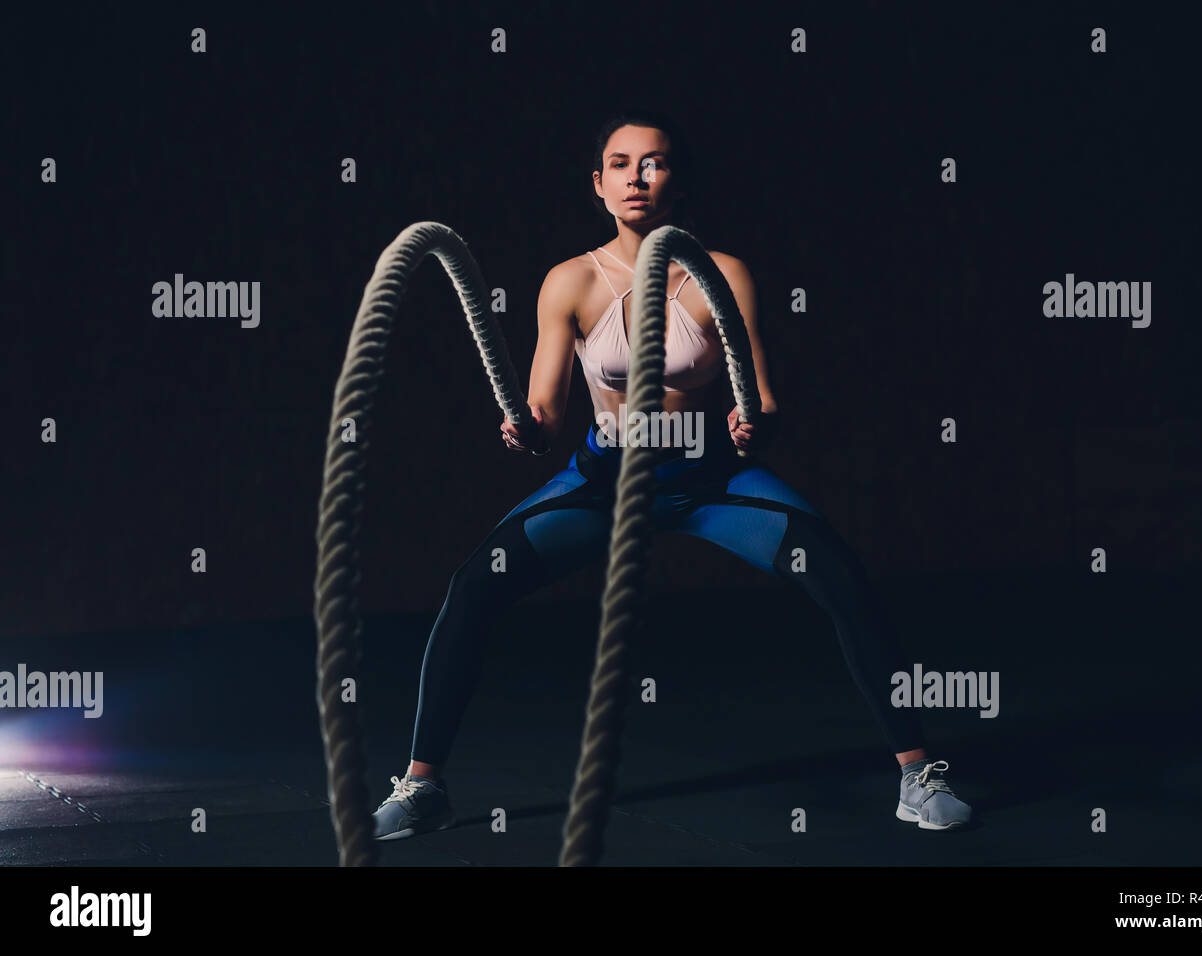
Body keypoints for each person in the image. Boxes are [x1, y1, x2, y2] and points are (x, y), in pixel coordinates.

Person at [373, 110, 973, 842]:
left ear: (676, 182)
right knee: (474, 587)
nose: (637, 177)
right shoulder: (570, 282)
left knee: (838, 574)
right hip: (603, 483)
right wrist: (524, 430)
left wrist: (757, 424)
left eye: (653, 163)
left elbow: (764, 396)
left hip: (708, 484)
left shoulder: (722, 275)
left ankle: (917, 773)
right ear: (599, 185)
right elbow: (544, 411)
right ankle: (424, 786)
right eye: (620, 164)